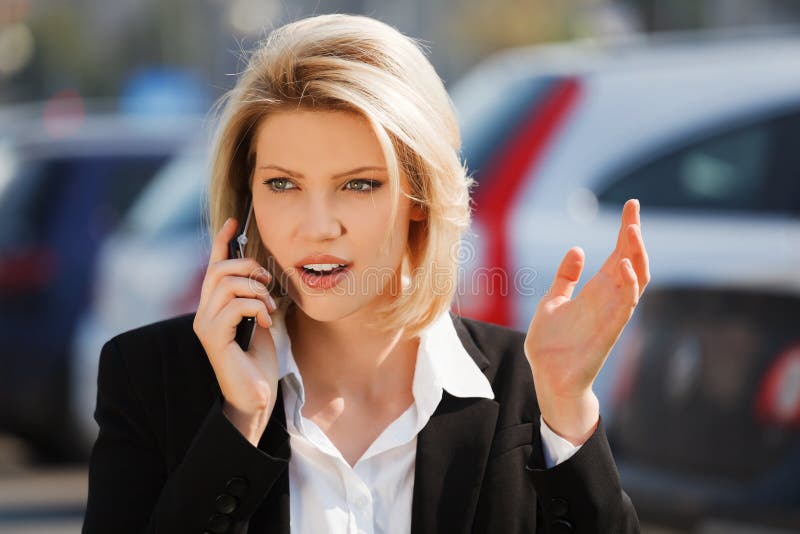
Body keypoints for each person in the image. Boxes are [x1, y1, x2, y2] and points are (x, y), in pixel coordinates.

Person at [82, 13, 647, 534]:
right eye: (282, 184)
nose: (317, 226)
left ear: (421, 195)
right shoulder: (149, 378)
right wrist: (239, 422)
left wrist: (568, 414)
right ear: (247, 198)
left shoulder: (527, 390)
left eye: (358, 184)